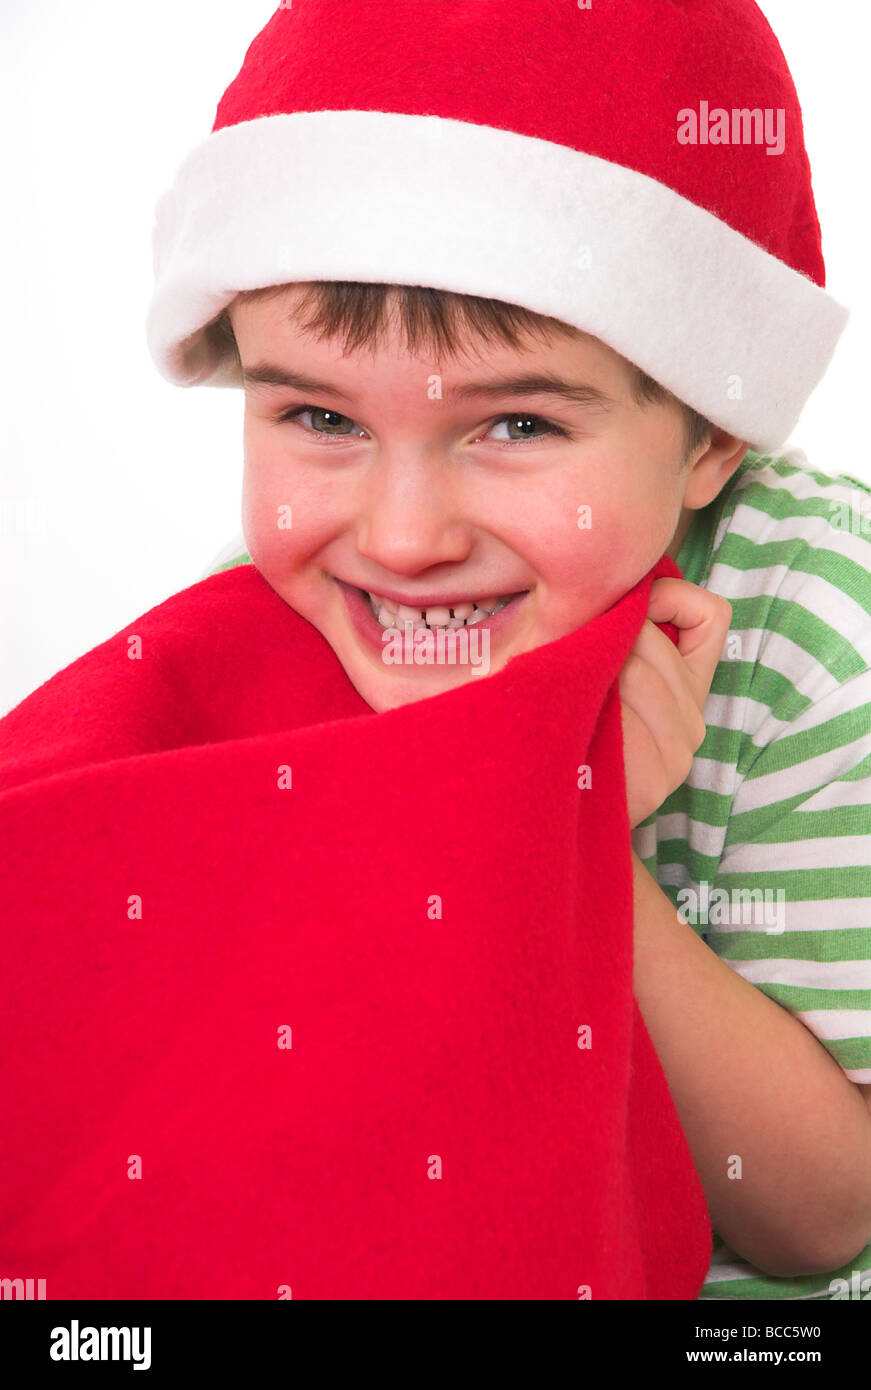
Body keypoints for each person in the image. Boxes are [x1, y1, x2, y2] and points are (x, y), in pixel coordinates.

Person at [7, 0, 871, 1300]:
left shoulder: (814, 618)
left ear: (710, 437)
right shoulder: (280, 620)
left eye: (515, 425)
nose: (402, 539)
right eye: (317, 414)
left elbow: (817, 1218)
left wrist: (566, 828)